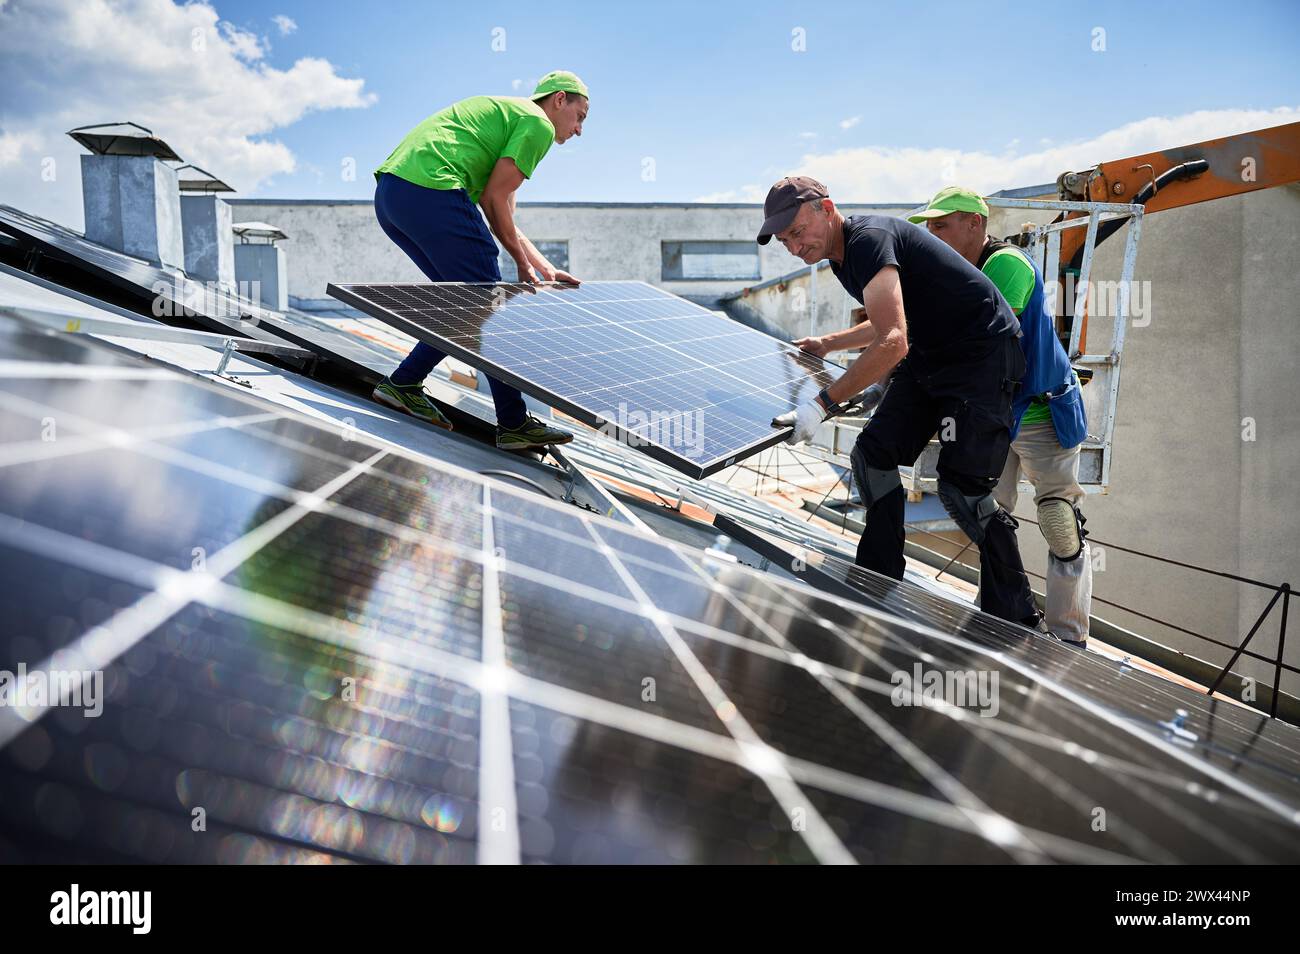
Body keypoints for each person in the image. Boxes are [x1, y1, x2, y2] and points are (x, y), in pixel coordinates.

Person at [765, 176, 1040, 629]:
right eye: (784, 241)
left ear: (826, 208)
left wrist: (820, 404)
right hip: (930, 355)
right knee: (873, 452)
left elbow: (892, 342)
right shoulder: (842, 257)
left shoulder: (869, 240)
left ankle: (1015, 612)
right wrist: (830, 344)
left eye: (797, 232)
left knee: (963, 489)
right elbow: (896, 320)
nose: (794, 247)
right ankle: (877, 576)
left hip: (981, 357)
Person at [370, 70, 589, 451]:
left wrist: (541, 266)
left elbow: (503, 210)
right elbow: (491, 202)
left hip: (394, 196)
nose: (579, 129)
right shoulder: (536, 124)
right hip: (433, 190)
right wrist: (520, 265)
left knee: (468, 304)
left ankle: (405, 384)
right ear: (559, 100)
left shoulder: (513, 117)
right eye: (580, 115)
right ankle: (513, 422)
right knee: (490, 305)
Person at [911, 187, 1091, 646]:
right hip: (994, 413)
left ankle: (1068, 637)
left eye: (941, 224)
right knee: (991, 516)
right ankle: (998, 608)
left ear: (975, 223)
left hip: (1038, 408)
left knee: (1057, 518)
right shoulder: (959, 274)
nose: (932, 234)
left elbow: (987, 338)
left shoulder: (1005, 264)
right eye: (928, 227)